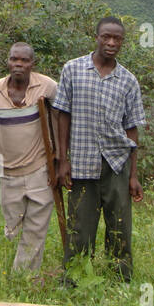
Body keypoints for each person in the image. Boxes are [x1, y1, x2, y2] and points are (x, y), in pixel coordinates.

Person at [53, 17, 145, 282]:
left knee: (119, 224)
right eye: (106, 37)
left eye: (117, 39)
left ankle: (120, 278)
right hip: (82, 161)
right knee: (80, 225)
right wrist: (62, 159)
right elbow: (62, 115)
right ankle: (75, 277)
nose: (112, 43)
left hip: (116, 161)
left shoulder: (128, 80)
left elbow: (132, 130)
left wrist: (133, 175)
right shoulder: (73, 69)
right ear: (96, 37)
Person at [0, 43, 58, 273]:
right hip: (8, 170)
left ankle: (23, 277)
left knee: (35, 228)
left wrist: (60, 158)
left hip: (39, 168)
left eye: (24, 61)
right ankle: (24, 270)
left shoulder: (47, 87)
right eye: (14, 59)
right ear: (7, 61)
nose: (19, 64)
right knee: (13, 225)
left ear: (32, 64)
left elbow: (60, 118)